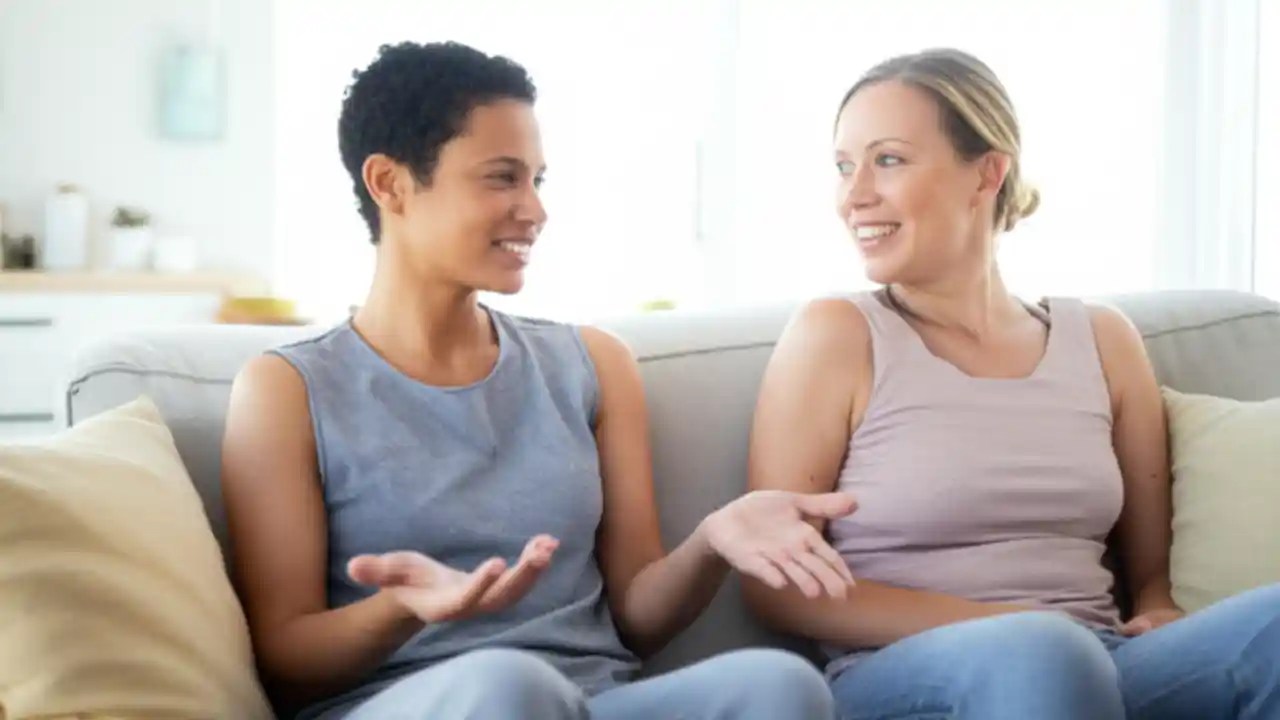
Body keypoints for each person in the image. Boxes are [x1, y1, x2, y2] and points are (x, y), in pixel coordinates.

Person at [220, 41, 848, 720]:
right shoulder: (288, 389)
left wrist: (712, 541)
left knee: (780, 685)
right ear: (390, 184)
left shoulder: (591, 364)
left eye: (537, 181)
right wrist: (401, 609)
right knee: (508, 687)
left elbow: (635, 619)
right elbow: (285, 660)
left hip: (593, 700)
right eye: (501, 178)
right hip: (416, 704)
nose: (534, 210)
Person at [744, 47, 1280, 720]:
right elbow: (776, 587)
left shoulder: (1104, 341)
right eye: (844, 166)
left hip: (1104, 657)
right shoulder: (837, 335)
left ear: (987, 173)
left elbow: (1149, 577)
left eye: (888, 160)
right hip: (911, 675)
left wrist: (1156, 607)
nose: (854, 196)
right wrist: (1017, 624)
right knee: (1042, 654)